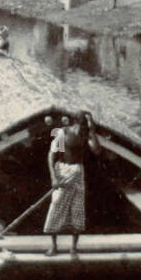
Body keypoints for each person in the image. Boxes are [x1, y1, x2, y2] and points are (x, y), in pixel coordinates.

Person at [43, 110, 101, 257]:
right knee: (56, 205)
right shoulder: (63, 133)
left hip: (78, 173)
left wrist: (92, 131)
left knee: (77, 209)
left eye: (88, 123)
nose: (85, 126)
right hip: (62, 170)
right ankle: (54, 246)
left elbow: (96, 150)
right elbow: (52, 155)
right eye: (84, 123)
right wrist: (53, 178)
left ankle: (73, 248)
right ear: (76, 121)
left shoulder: (86, 134)